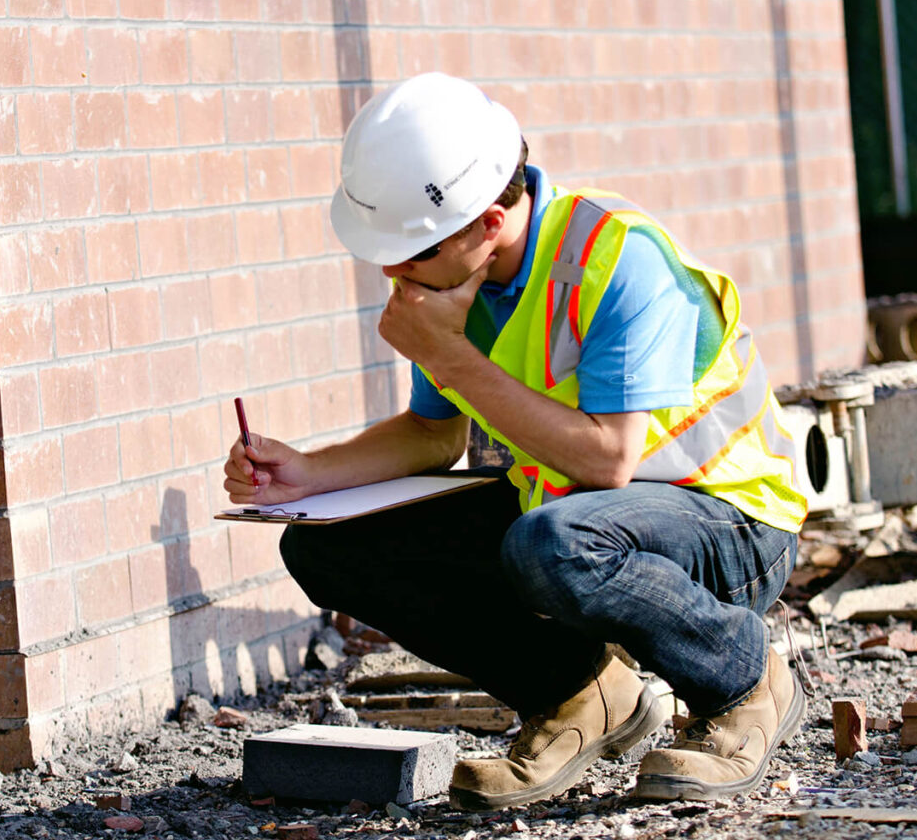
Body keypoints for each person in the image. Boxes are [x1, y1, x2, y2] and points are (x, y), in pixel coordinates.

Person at [221, 72, 809, 808]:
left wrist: (448, 355)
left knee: (551, 544)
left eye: (412, 252)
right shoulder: (455, 286)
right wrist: (307, 473)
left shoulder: (615, 259)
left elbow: (607, 458)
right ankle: (583, 692)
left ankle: (744, 681)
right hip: (583, 522)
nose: (392, 272)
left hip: (733, 526)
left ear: (487, 225)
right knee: (324, 546)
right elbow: (435, 436)